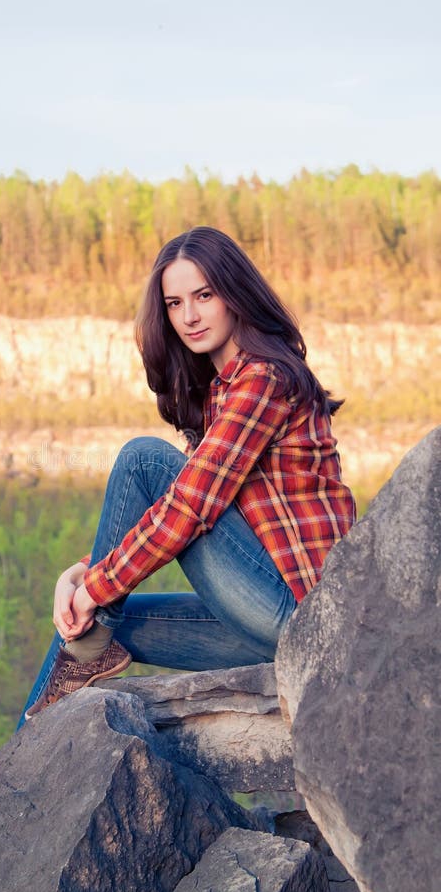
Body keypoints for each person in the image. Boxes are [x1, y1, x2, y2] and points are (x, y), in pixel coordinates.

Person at [18, 226, 356, 727]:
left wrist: (92, 588)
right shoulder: (220, 392)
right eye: (175, 304)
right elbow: (182, 504)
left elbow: (188, 508)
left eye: (203, 295)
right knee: (103, 626)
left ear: (235, 293)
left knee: (144, 461)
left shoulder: (265, 378)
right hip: (271, 625)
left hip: (302, 619)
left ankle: (31, 737)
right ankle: (30, 750)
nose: (189, 317)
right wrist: (79, 578)